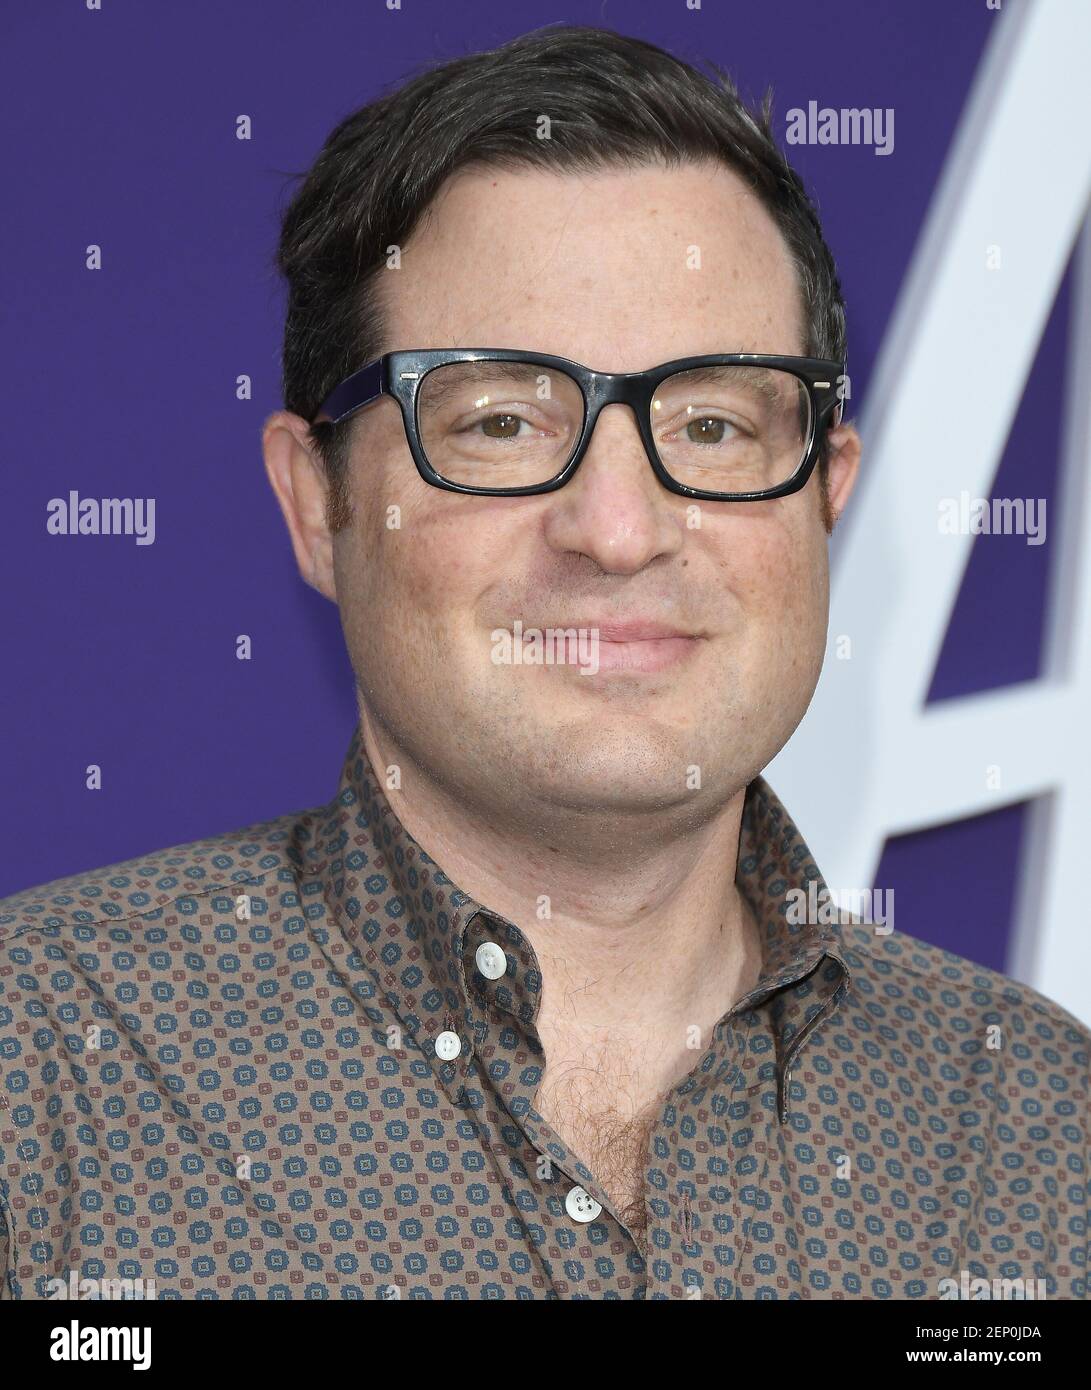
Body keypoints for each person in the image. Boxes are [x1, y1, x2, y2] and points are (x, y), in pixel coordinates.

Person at [1, 24, 1086, 1301]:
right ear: (317, 507)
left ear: (823, 497)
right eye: (501, 423)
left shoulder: (1038, 1132)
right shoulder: (39, 1076)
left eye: (714, 424)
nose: (618, 530)